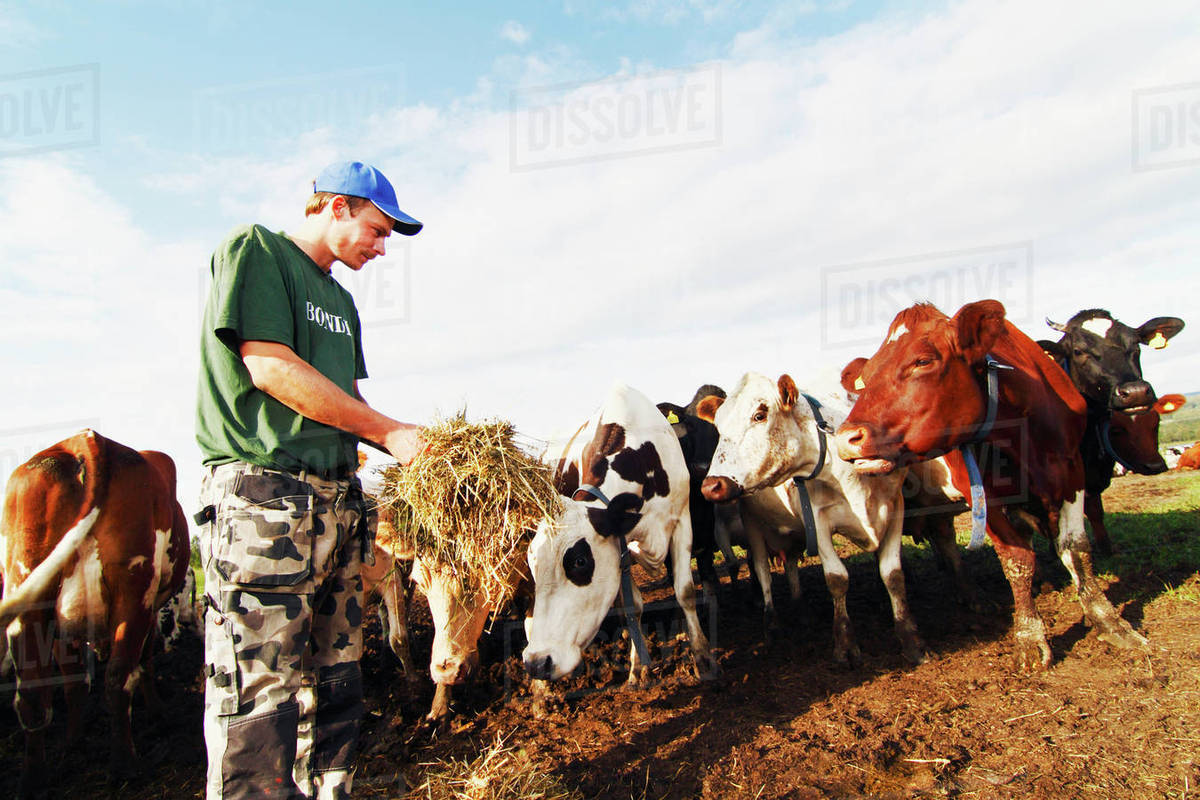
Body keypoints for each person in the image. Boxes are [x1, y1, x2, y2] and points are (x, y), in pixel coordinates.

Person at [195, 161, 423, 799]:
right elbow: (270, 368)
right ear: (340, 206)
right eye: (378, 231)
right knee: (261, 691)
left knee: (336, 677)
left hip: (337, 506)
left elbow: (343, 397)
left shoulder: (342, 303)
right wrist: (387, 430)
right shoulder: (258, 252)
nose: (381, 249)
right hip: (265, 499)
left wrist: (372, 446)